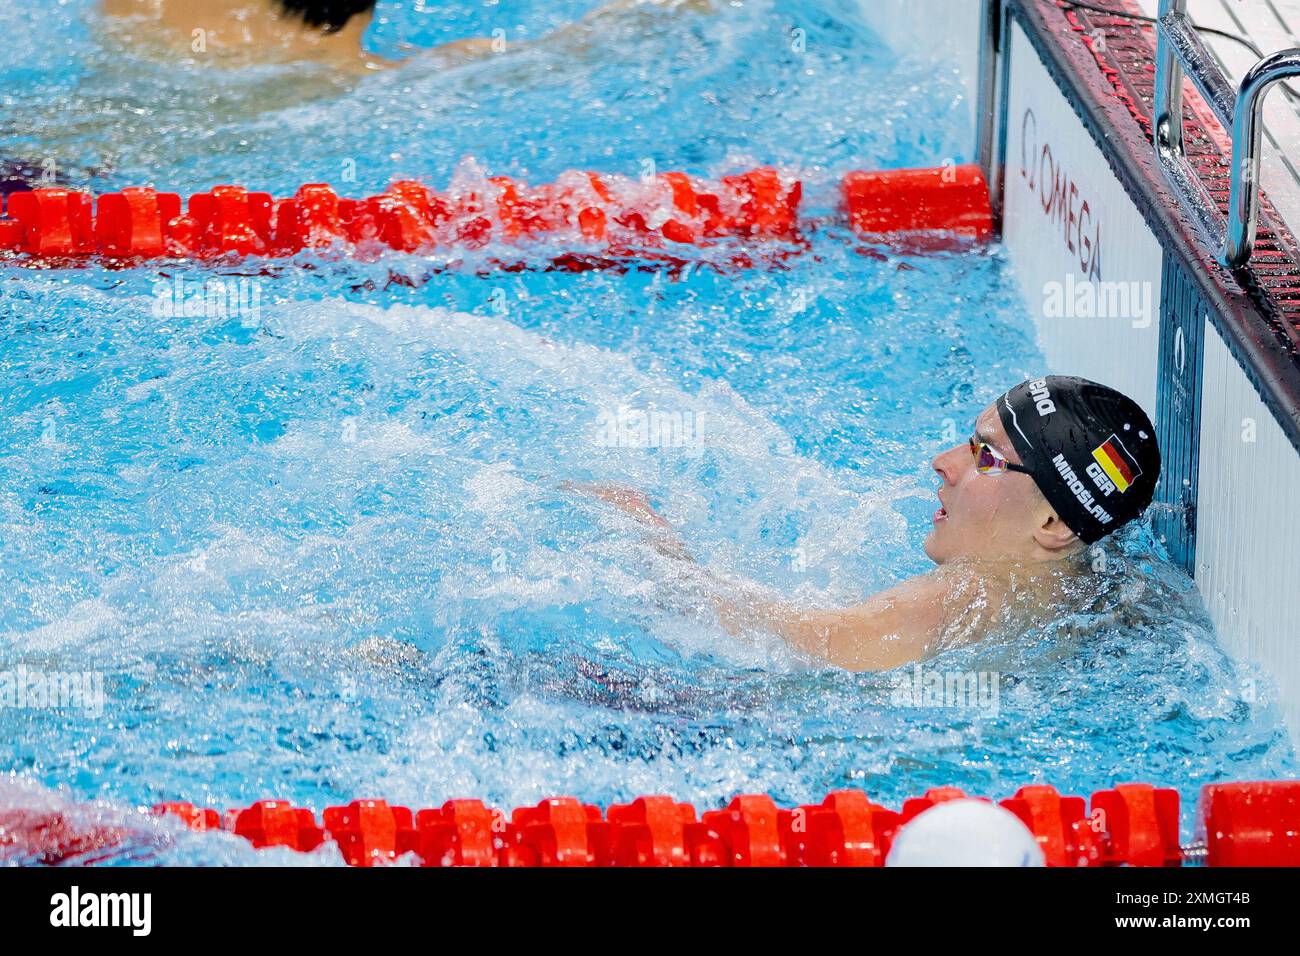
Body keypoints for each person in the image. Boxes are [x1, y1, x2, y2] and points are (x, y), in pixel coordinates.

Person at [587, 376, 1162, 670]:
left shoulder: (958, 597)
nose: (945, 463)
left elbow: (784, 642)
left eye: (984, 457)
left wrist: (655, 548)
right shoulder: (1113, 597)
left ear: (1055, 523)